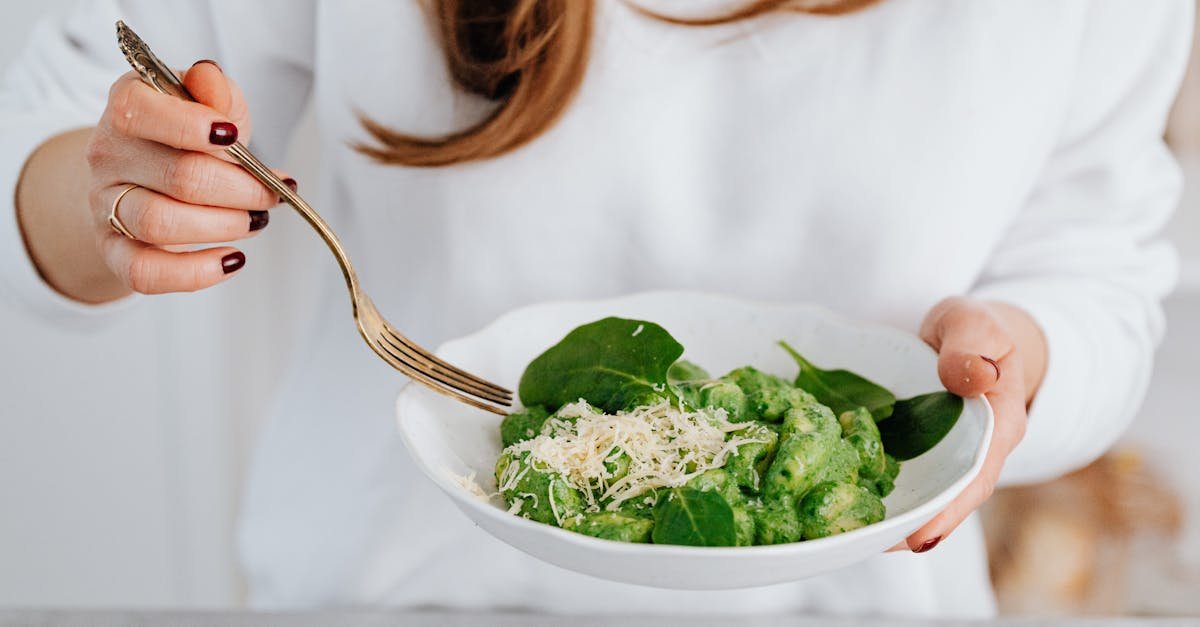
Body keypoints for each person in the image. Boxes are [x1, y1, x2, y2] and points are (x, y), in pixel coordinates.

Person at [0, 0, 1191, 617]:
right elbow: (43, 126)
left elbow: (1099, 256)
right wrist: (116, 199)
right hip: (392, 597)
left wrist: (1024, 362)